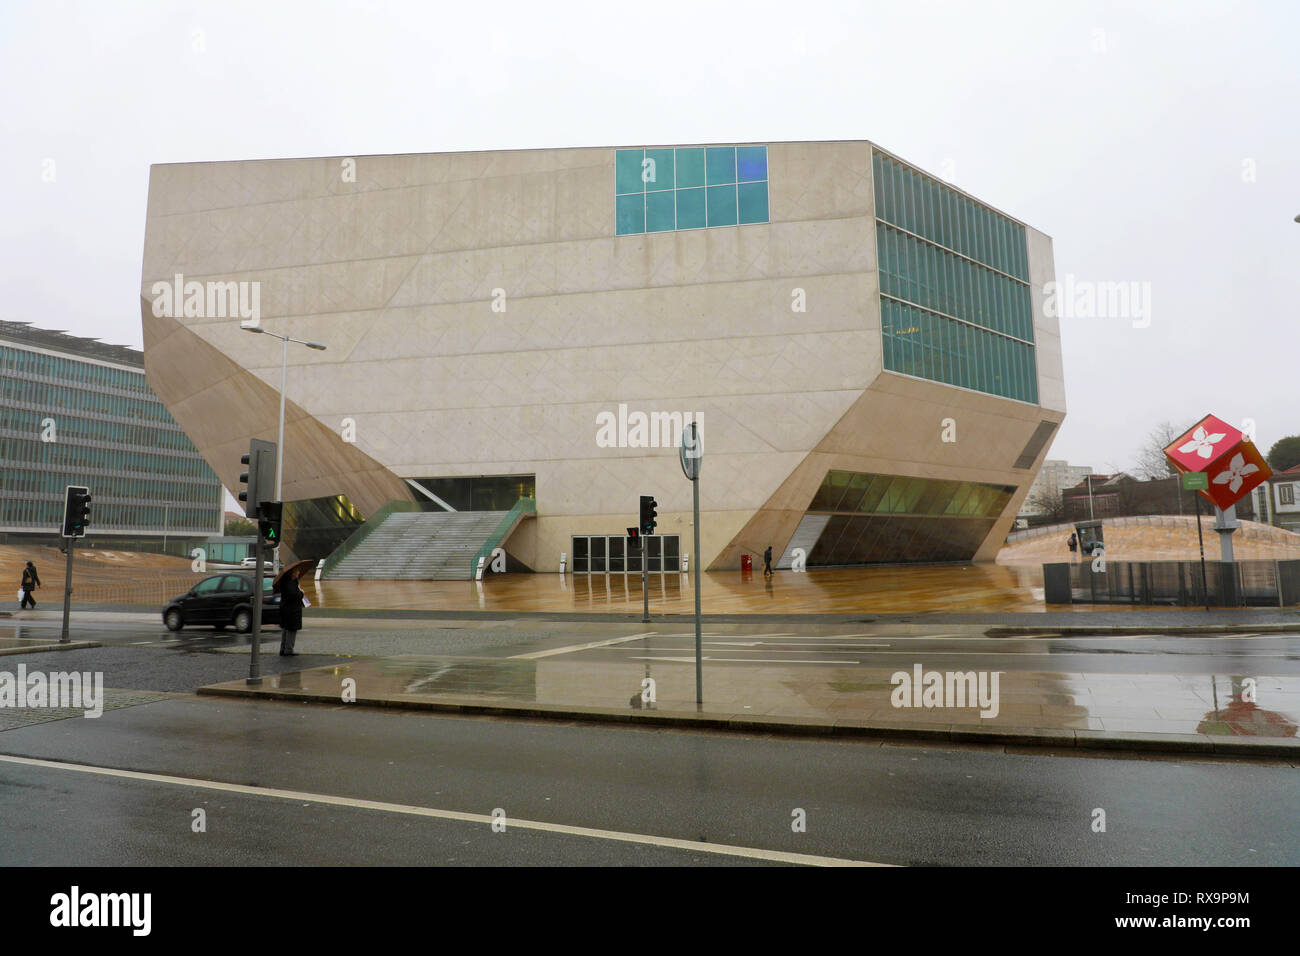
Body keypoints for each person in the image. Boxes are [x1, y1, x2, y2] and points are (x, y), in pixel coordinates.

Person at [278, 568, 306, 656]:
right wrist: (301, 593)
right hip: (292, 610)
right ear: (293, 573)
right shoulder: (290, 583)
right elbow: (293, 595)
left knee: (286, 628)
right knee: (291, 629)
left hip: (287, 609)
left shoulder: (289, 582)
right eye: (297, 571)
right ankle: (288, 650)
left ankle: (283, 649)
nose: (299, 572)